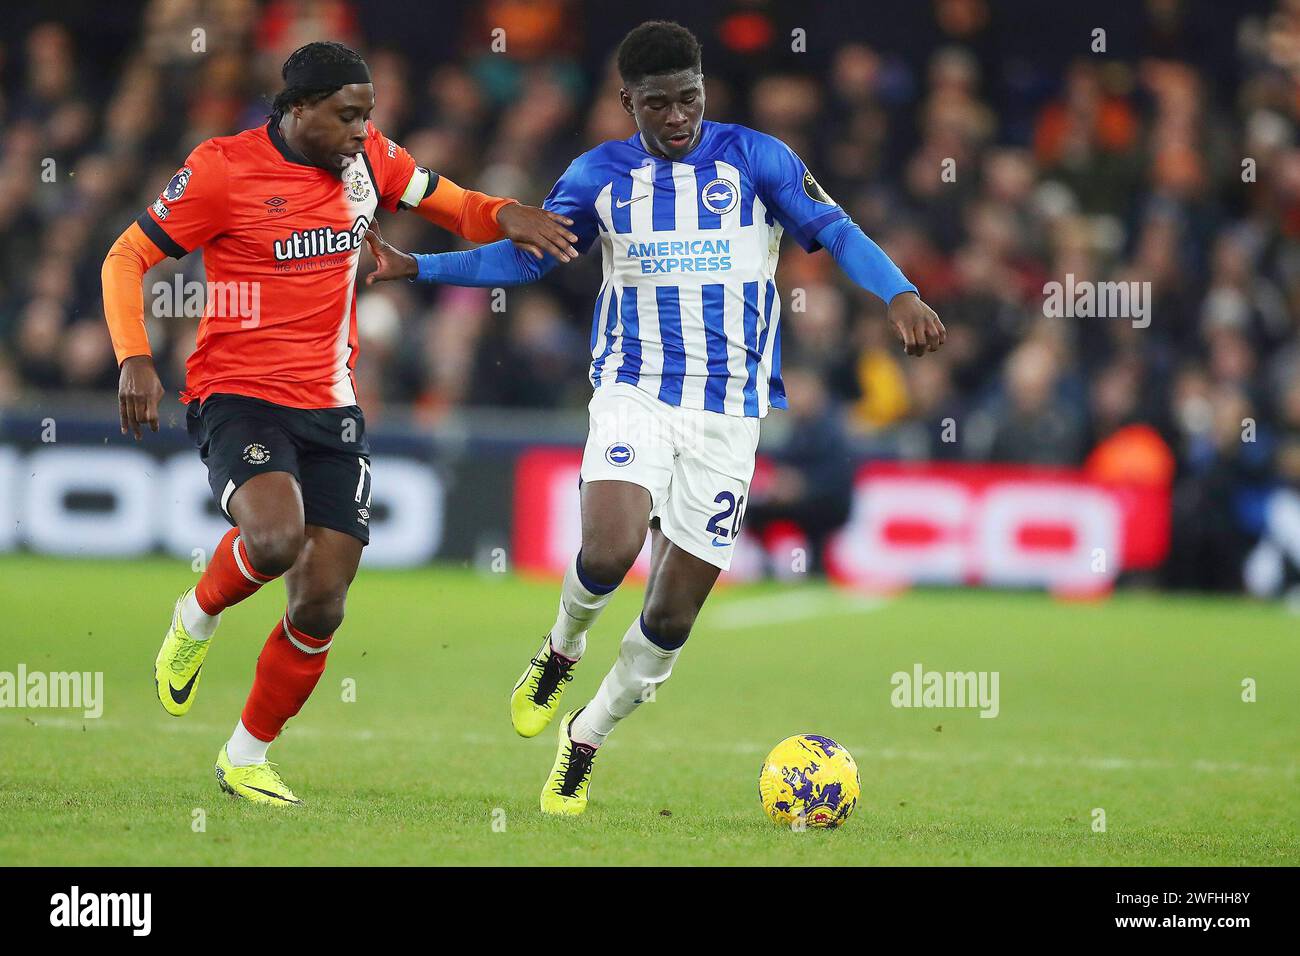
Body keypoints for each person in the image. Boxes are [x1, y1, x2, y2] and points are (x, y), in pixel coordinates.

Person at [365, 20, 945, 815]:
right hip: (635, 389)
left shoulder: (757, 159)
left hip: (730, 414)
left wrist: (900, 292)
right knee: (606, 550)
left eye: (691, 99)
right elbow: (530, 255)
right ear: (627, 101)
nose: (678, 118)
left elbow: (835, 230)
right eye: (660, 104)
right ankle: (560, 649)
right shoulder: (598, 174)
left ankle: (587, 736)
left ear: (705, 90)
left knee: (671, 610)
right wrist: (416, 266)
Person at [100, 40, 578, 805]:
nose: (363, 131)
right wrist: (133, 356)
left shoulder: (371, 161)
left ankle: (246, 756)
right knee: (275, 537)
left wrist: (510, 214)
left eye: (369, 116)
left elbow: (451, 203)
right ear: (297, 111)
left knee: (322, 599)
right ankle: (195, 615)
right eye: (348, 115)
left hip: (331, 401)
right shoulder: (222, 169)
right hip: (237, 391)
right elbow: (125, 258)